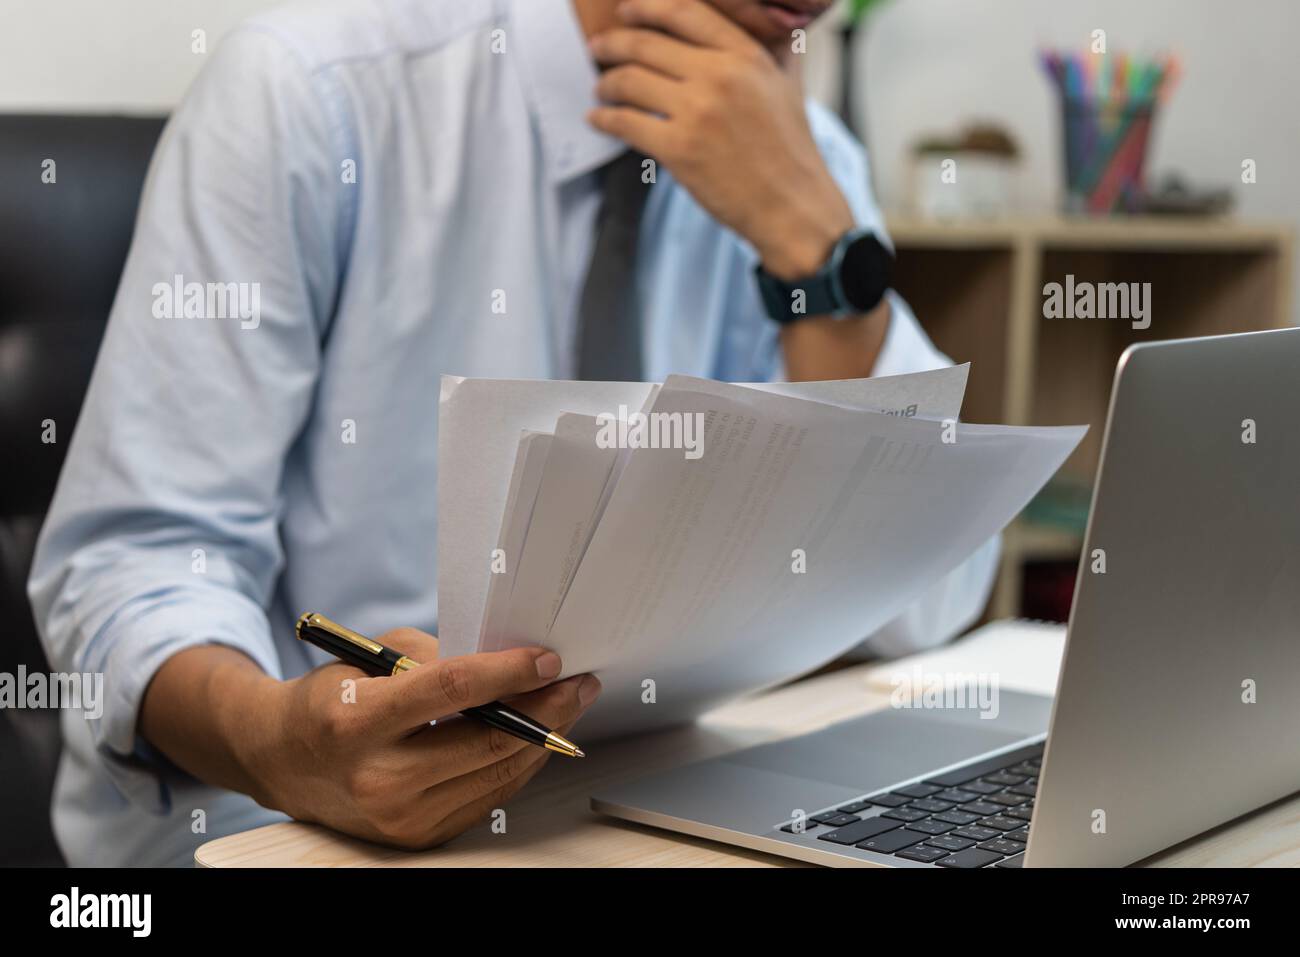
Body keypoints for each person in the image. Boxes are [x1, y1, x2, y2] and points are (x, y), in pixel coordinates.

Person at [29, 0, 998, 866]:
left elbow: (926, 599)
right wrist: (283, 747)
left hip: (638, 811)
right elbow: (136, 568)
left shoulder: (801, 161)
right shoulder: (311, 95)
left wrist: (820, 262)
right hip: (284, 829)